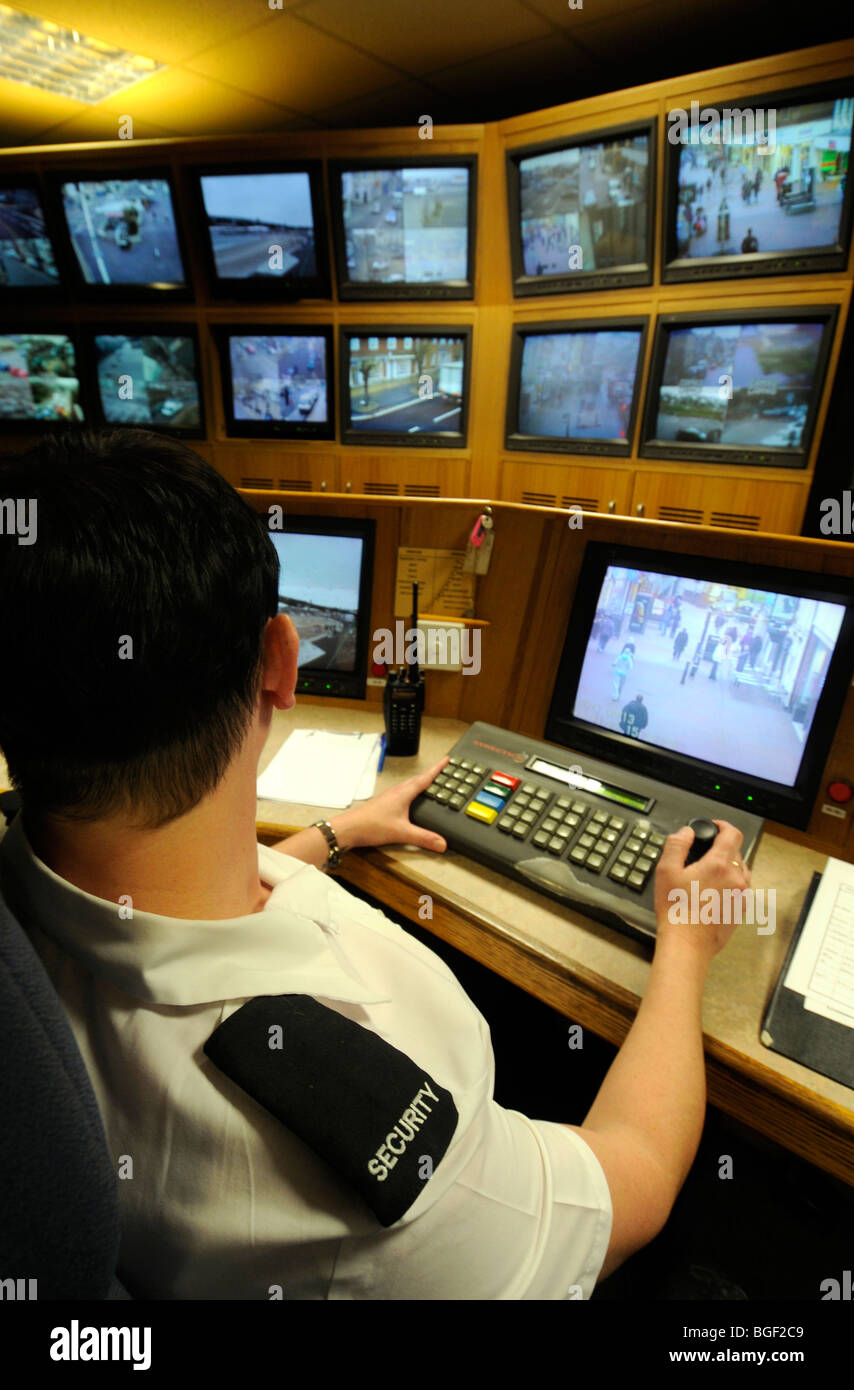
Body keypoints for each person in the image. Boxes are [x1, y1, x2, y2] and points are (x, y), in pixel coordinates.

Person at [0, 429, 749, 1301]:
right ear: (283, 662)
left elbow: (156, 929)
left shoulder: (26, 915)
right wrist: (688, 947)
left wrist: (333, 834)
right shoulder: (371, 1132)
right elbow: (637, 1180)